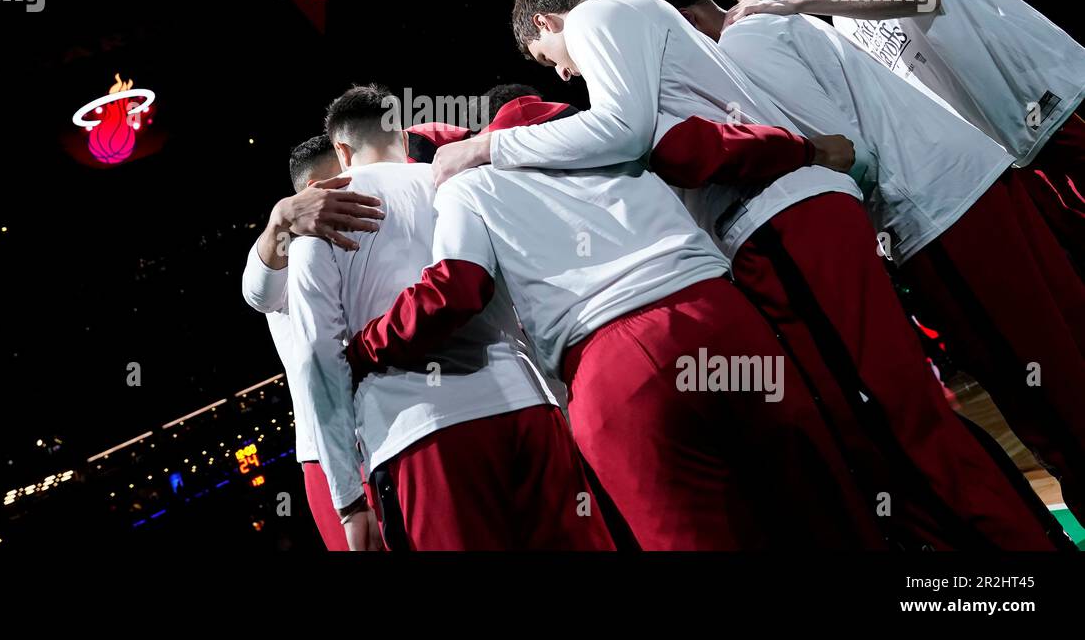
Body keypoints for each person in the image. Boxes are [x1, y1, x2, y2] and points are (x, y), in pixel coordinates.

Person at [432, 0, 1051, 548]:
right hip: (784, 220)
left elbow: (622, 130)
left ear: (546, 22)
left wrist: (489, 146)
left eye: (550, 60)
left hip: (779, 217)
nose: (563, 76)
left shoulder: (600, 15)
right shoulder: (646, 38)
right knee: (875, 428)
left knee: (889, 425)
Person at [347, 91, 902, 549]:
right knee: (827, 511)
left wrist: (366, 345)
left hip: (612, 366)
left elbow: (457, 289)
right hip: (720, 318)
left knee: (689, 536)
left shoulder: (469, 182)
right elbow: (708, 146)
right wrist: (808, 148)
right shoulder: (611, 133)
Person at [650, 0, 1080, 540]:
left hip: (936, 207)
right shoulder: (773, 24)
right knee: (1064, 353)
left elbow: (849, 151)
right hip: (968, 182)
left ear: (684, 24)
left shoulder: (743, 43)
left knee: (1038, 387)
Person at [288, 85, 613, 550]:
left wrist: (348, 499)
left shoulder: (316, 229)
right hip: (527, 408)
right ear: (402, 135)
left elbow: (318, 363)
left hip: (422, 433)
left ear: (341, 151)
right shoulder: (464, 181)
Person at [726, 0, 1085, 272]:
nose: (786, 14)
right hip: (1008, 147)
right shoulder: (840, 17)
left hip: (1047, 97)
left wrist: (791, 2)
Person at [241, 135, 387, 550]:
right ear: (309, 194)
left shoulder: (372, 232)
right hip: (332, 458)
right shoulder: (282, 253)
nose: (354, 192)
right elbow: (257, 293)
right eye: (339, 186)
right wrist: (280, 220)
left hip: (396, 430)